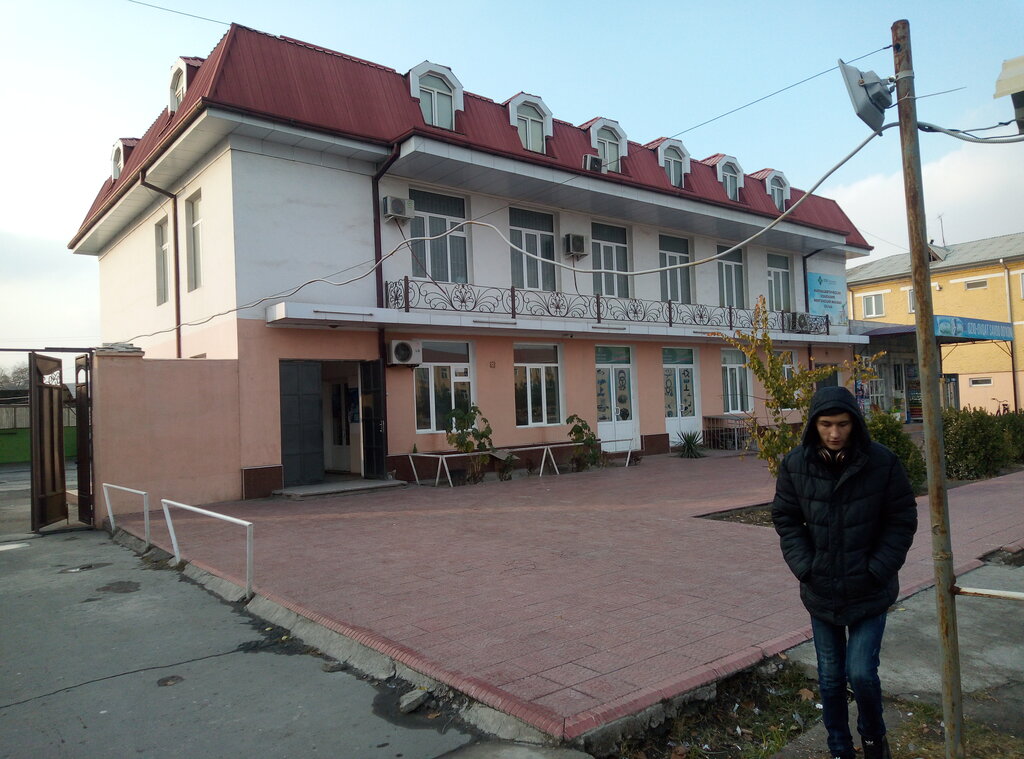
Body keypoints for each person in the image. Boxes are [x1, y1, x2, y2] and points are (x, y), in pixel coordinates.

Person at [772, 386, 918, 759]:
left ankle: (873, 741)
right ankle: (839, 748)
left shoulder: (882, 463)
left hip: (869, 589)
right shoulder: (795, 464)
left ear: (855, 423)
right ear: (813, 425)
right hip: (822, 590)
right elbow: (786, 519)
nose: (834, 433)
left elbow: (901, 520)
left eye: (842, 424)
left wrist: (878, 569)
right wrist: (806, 567)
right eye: (826, 425)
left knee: (862, 673)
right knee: (830, 677)